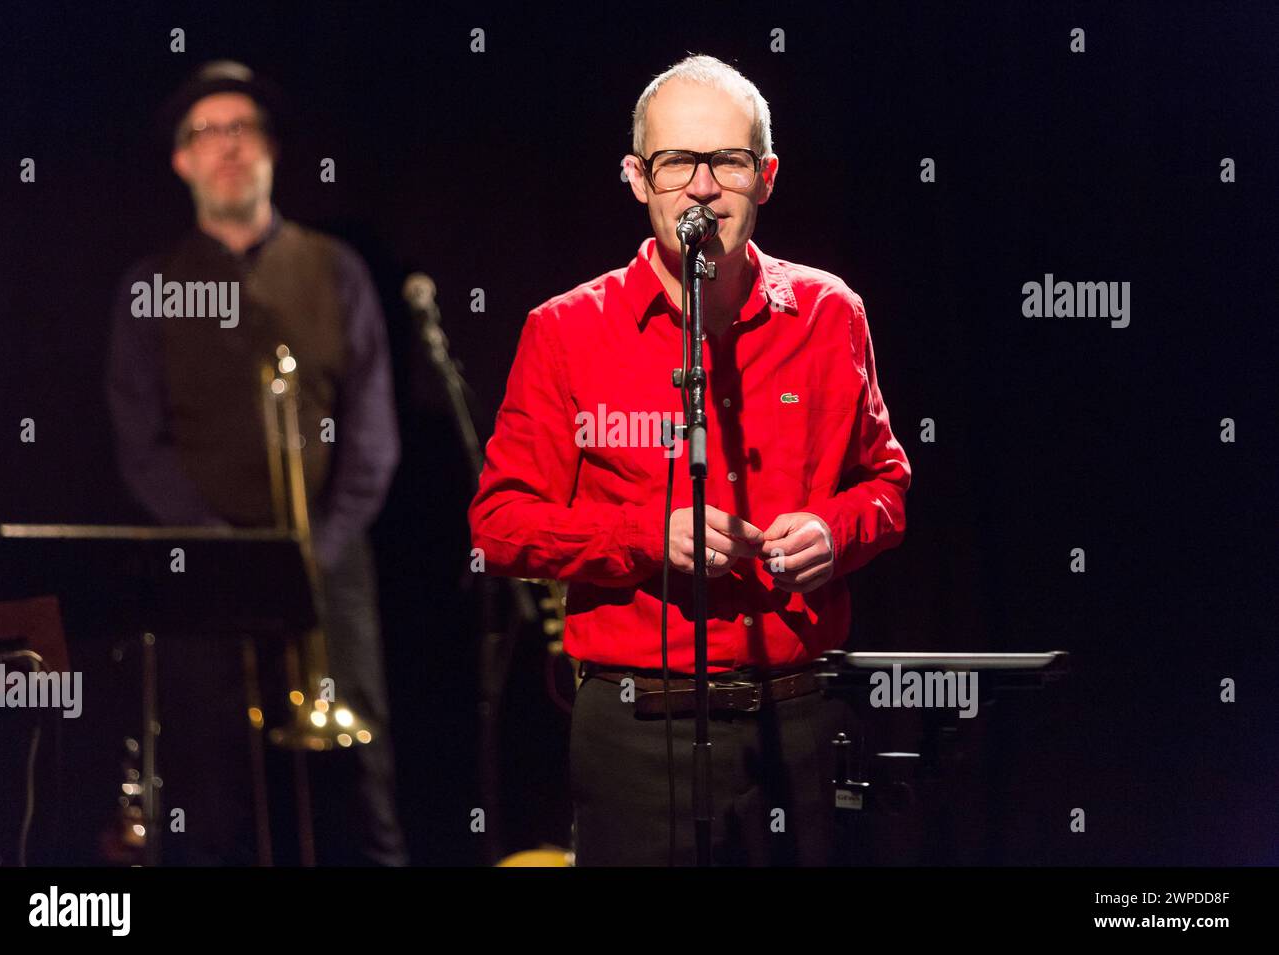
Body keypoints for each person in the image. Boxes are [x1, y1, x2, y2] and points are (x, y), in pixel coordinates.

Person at [468, 54, 912, 866]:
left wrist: (835, 530)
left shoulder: (828, 313)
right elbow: (498, 527)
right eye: (677, 161)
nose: (702, 187)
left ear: (765, 176)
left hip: (799, 717)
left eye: (728, 162)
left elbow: (886, 488)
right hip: (639, 729)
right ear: (639, 178)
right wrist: (645, 537)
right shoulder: (566, 329)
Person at [106, 61, 407, 865]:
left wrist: (323, 546)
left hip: (328, 573)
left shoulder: (334, 268)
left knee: (357, 790)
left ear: (271, 150)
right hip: (203, 576)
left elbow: (373, 432)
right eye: (206, 133)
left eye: (242, 129)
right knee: (211, 794)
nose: (227, 147)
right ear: (182, 161)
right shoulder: (150, 285)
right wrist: (218, 548)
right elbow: (141, 443)